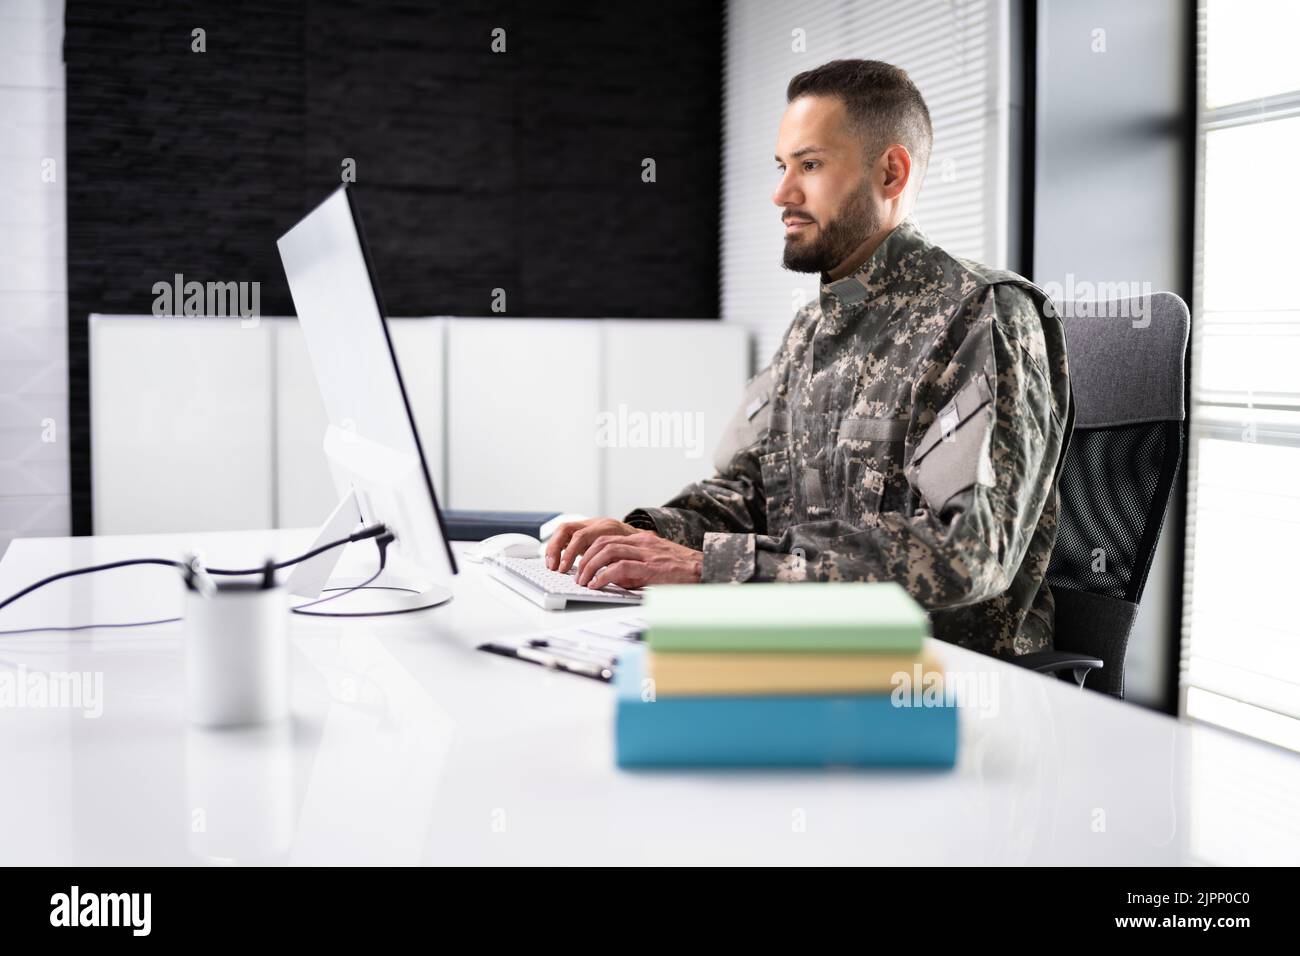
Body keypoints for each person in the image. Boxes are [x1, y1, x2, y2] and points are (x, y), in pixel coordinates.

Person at [544, 59, 1072, 659]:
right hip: (808, 655)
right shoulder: (809, 330)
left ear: (891, 172)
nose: (781, 193)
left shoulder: (983, 316)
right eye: (781, 166)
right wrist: (641, 537)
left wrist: (710, 567)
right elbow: (746, 496)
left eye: (811, 165)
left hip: (938, 685)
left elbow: (967, 554)